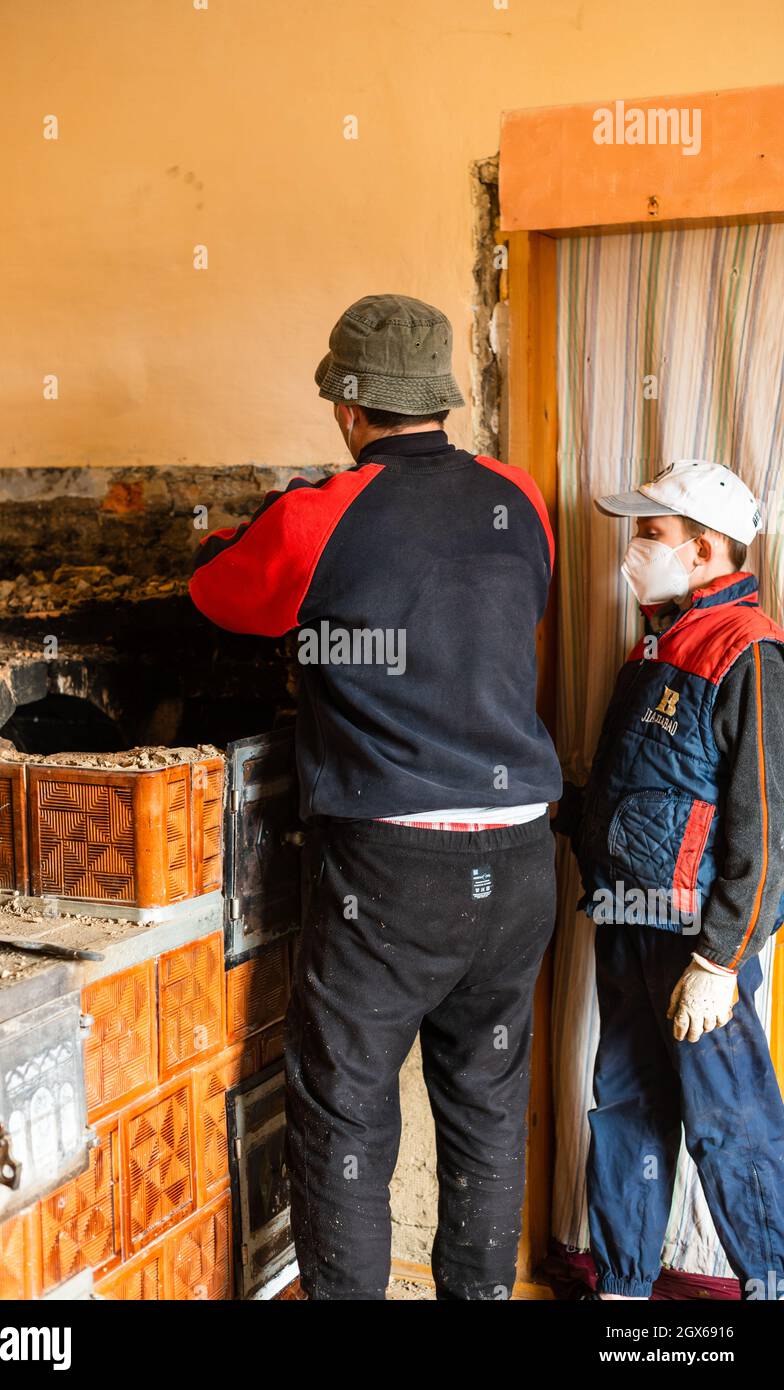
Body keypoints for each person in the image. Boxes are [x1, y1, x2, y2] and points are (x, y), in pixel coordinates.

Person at [189, 293, 562, 1300]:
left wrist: (241, 534)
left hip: (392, 873)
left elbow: (218, 592)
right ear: (439, 398)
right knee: (486, 1102)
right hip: (523, 857)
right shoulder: (519, 497)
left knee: (347, 1110)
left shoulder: (321, 513)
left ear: (350, 410)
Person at [556, 459, 784, 1301]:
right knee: (623, 1108)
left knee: (732, 1126)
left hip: (692, 941)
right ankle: (622, 1290)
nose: (631, 550)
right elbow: (640, 790)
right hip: (626, 921)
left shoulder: (749, 651)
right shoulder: (658, 642)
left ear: (705, 551)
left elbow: (768, 828)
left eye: (649, 534)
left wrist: (721, 960)